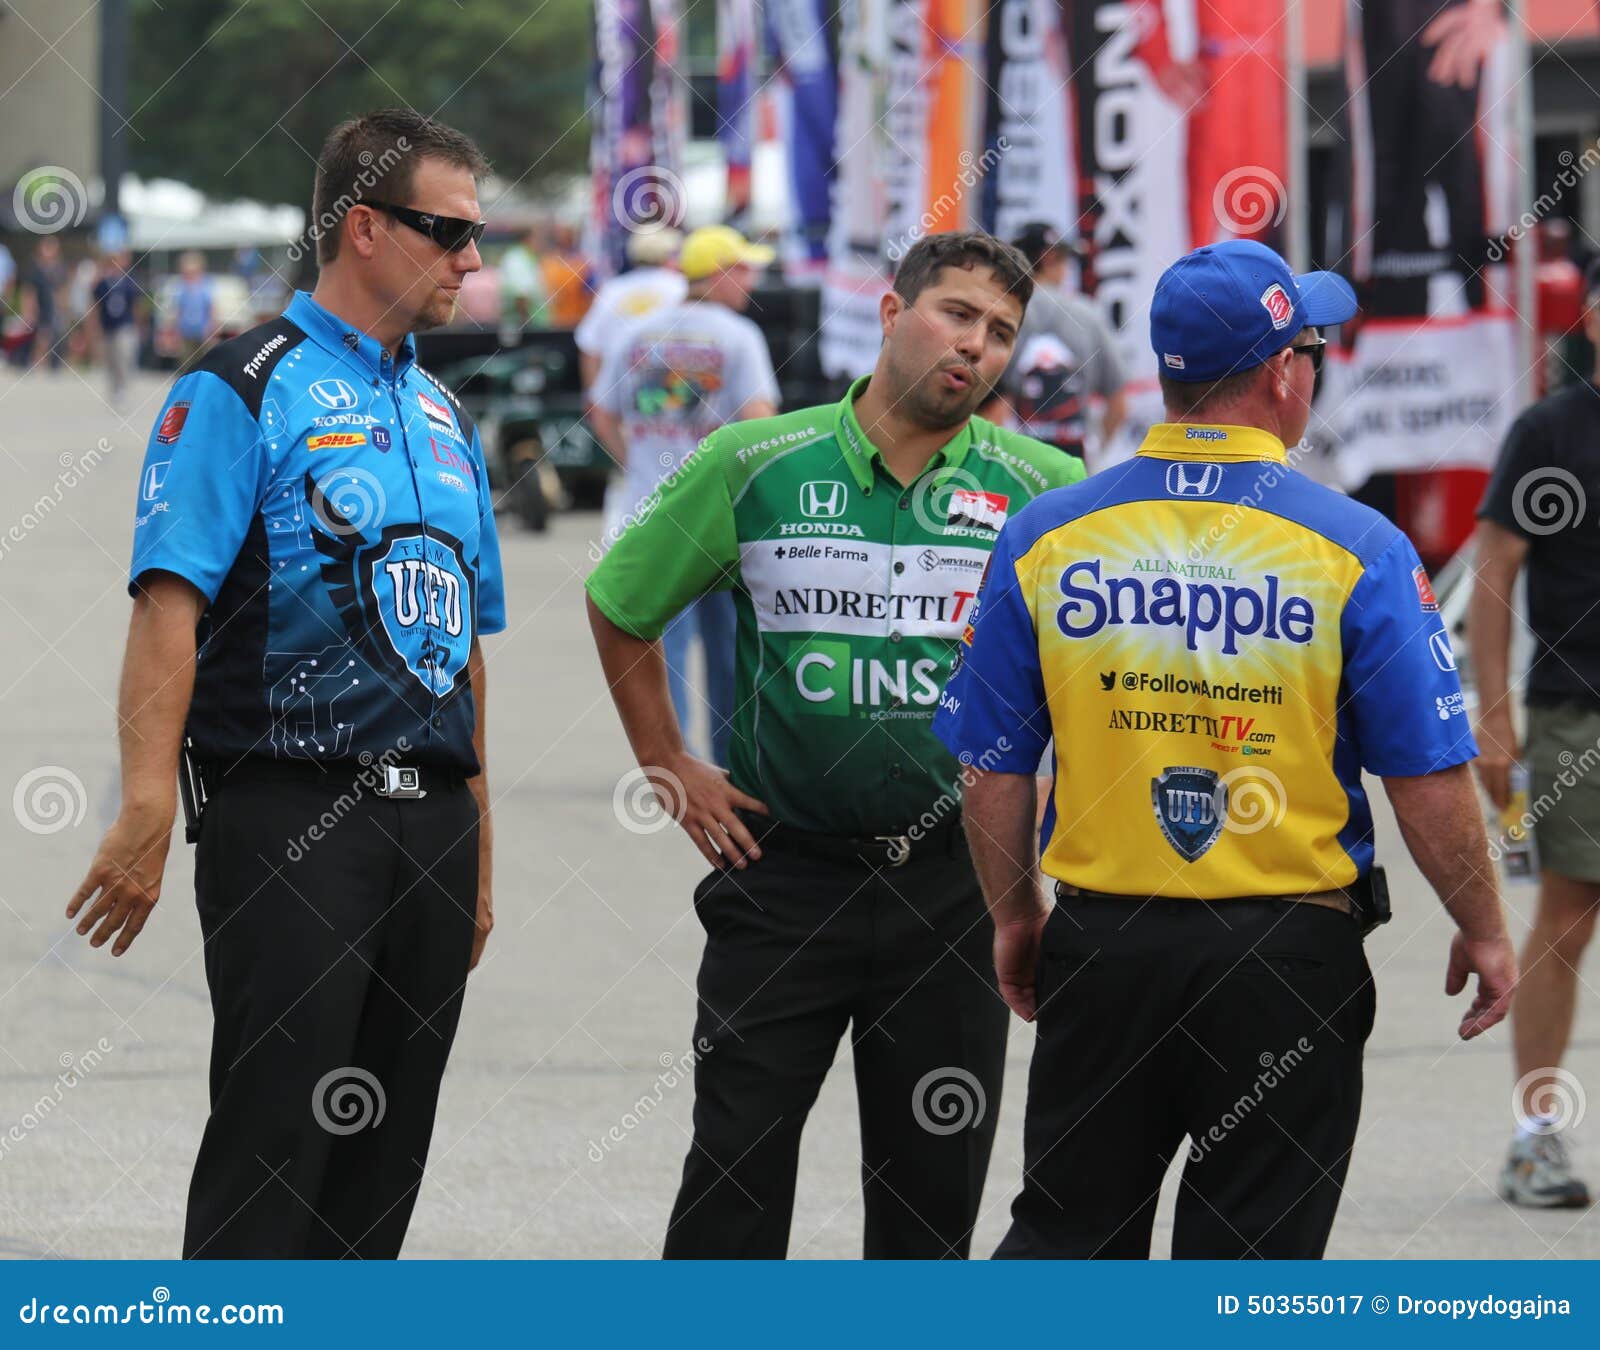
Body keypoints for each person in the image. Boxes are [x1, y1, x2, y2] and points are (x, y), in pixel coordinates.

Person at [937, 238, 1518, 1259]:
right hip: (1287, 956)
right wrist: (1482, 924)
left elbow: (991, 764)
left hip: (1105, 942)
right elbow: (1426, 777)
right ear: (1280, 373)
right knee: (1252, 1264)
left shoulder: (1046, 533)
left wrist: (1015, 915)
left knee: (1068, 1244)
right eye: (1312, 351)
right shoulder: (1358, 546)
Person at [586, 230, 1084, 1259]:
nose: (975, 347)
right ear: (893, 313)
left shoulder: (1044, 485)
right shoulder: (754, 460)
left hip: (955, 894)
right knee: (733, 1174)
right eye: (956, 314)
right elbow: (620, 605)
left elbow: (1074, 677)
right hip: (782, 879)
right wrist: (666, 763)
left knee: (930, 1200)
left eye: (999, 333)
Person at [65, 108, 504, 1259]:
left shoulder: (444, 411)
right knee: (275, 1149)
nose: (473, 260)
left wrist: (481, 842)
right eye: (448, 230)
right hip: (294, 813)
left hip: (435, 829)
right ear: (363, 228)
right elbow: (170, 604)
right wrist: (147, 805)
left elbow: (465, 646)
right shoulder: (242, 385)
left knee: (380, 1165)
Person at [1470, 255, 1600, 1209]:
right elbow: (1493, 573)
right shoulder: (1549, 431)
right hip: (1574, 714)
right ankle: (1536, 1137)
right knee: (1568, 918)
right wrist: (1494, 715)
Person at [589, 225, 780, 763]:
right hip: (722, 518)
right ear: (717, 273)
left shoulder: (637, 332)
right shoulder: (740, 336)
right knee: (729, 648)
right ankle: (728, 760)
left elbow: (601, 409)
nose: (749, 280)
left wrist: (637, 462)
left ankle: (671, 762)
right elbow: (760, 422)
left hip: (652, 512)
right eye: (741, 269)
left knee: (660, 647)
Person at [999, 222, 1126, 466]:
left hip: (1013, 469)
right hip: (1073, 469)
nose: (1067, 270)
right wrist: (1093, 456)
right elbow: (1119, 405)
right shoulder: (1089, 316)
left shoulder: (999, 313)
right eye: (1065, 261)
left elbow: (987, 409)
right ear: (1050, 258)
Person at [575, 228, 687, 394]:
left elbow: (590, 347)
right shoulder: (681, 287)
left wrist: (593, 396)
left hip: (618, 393)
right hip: (670, 392)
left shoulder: (612, 289)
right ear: (668, 256)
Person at [92, 251, 141, 406]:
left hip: (125, 326)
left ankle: (123, 388)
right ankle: (114, 388)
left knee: (124, 356)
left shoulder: (129, 282)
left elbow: (136, 306)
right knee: (111, 361)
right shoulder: (103, 283)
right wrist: (95, 327)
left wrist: (138, 325)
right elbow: (95, 306)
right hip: (108, 327)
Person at [24, 238, 66, 371]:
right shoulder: (36, 269)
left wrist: (63, 307)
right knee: (42, 335)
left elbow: (62, 289)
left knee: (55, 335)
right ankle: (38, 362)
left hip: (54, 308)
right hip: (41, 308)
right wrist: (28, 310)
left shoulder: (59, 268)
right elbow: (30, 292)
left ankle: (50, 363)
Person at [498, 224, 550, 332]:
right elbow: (520, 294)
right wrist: (528, 324)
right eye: (537, 238)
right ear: (527, 239)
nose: (540, 242)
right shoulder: (517, 259)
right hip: (527, 327)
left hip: (531, 325)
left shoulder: (523, 257)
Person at [173, 251, 215, 373]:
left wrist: (211, 327)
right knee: (186, 362)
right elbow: (179, 309)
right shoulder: (182, 286)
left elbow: (210, 308)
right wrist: (177, 329)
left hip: (201, 330)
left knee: (202, 361)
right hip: (186, 330)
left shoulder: (205, 285)